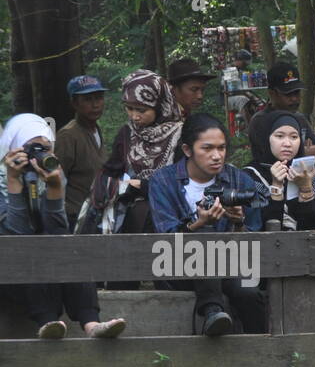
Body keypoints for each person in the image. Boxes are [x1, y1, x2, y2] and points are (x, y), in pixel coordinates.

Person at [1, 114, 125, 339]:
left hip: (46, 263)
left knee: (70, 249)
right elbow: (17, 236)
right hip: (10, 269)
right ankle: (48, 323)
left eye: (46, 148)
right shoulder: (2, 181)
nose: (41, 154)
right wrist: (13, 181)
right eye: (33, 148)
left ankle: (92, 325)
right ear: (13, 149)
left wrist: (55, 188)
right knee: (28, 252)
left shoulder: (51, 174)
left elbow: (58, 231)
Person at [147, 113, 270, 336]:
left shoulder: (239, 179)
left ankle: (262, 347)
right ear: (187, 150)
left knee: (249, 293)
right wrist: (198, 223)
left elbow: (254, 235)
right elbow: (165, 236)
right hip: (179, 265)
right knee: (203, 233)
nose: (216, 156)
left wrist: (238, 222)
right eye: (207, 148)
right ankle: (212, 309)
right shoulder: (163, 181)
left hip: (231, 264)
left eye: (221, 148)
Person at [85, 69, 184, 238]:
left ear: (159, 106)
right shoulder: (127, 133)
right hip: (132, 220)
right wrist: (110, 184)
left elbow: (185, 179)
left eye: (141, 110)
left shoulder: (180, 134)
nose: (134, 116)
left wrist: (144, 186)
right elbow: (111, 169)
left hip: (171, 217)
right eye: (129, 109)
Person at [245, 110, 315, 231]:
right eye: (279, 136)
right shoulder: (249, 177)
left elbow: (311, 229)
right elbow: (263, 230)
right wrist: (276, 186)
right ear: (267, 138)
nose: (287, 143)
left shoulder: (314, 174)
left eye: (294, 137)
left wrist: (306, 189)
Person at [247, 63, 315, 165]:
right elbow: (275, 159)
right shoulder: (260, 121)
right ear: (272, 93)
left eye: (297, 93)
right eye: (288, 94)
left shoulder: (299, 118)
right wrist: (304, 151)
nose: (294, 99)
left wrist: (294, 154)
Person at [55, 74, 108, 219]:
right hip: (75, 216)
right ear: (74, 103)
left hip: (97, 213)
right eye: (88, 99)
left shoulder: (96, 128)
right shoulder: (68, 135)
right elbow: (56, 179)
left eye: (99, 97)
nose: (95, 104)